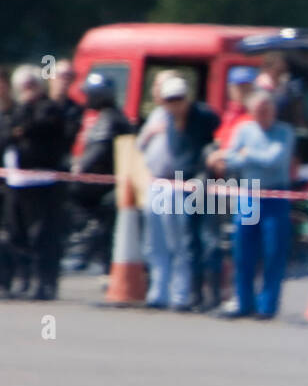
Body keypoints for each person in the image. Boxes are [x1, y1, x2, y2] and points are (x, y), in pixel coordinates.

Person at [138, 74, 220, 310]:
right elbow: (141, 144)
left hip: (198, 185)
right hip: (170, 184)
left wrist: (212, 155)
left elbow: (218, 131)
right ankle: (176, 293)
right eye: (170, 100)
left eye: (179, 99)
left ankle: (190, 294)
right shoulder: (164, 118)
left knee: (197, 241)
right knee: (172, 241)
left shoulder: (203, 116)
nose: (174, 104)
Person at [214, 90, 295, 318]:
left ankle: (267, 306)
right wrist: (244, 156)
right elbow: (228, 157)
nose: (263, 114)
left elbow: (275, 160)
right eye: (258, 110)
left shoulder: (284, 132)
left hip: (275, 195)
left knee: (273, 252)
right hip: (248, 194)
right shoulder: (244, 130)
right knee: (243, 252)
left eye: (267, 109)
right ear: (251, 111)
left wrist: (247, 155)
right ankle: (243, 302)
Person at [1, 66, 67, 299]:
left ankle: (44, 283)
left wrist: (23, 129)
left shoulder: (49, 108)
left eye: (31, 85)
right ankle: (23, 279)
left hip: (41, 182)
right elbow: (7, 134)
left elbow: (43, 128)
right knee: (16, 234)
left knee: (40, 234)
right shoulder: (17, 111)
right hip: (16, 181)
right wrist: (18, 130)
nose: (27, 91)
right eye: (23, 87)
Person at [64, 72, 132, 274]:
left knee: (71, 198)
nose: (87, 99)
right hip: (106, 185)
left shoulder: (109, 119)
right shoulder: (109, 117)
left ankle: (86, 242)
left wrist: (77, 168)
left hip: (105, 186)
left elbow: (98, 150)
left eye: (91, 94)